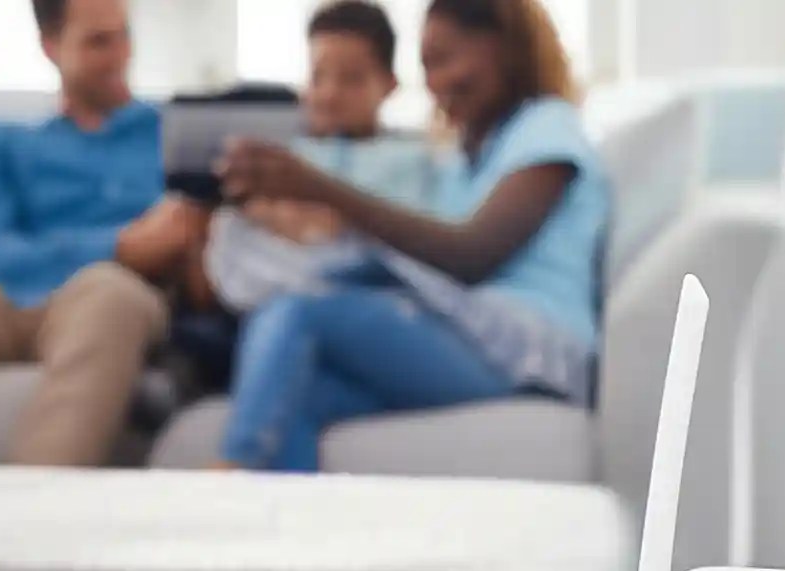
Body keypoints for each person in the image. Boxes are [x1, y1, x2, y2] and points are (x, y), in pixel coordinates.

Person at [214, 0, 611, 472]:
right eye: (426, 66)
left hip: (528, 353)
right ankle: (291, 538)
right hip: (469, 336)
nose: (435, 82)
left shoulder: (547, 127)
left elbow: (473, 253)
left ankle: (227, 486)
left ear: (502, 48)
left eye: (445, 59)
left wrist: (320, 188)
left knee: (298, 313)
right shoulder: (465, 158)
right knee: (302, 393)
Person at [0, 0, 203, 478]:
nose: (119, 55)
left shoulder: (168, 134)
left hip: (101, 303)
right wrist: (120, 244)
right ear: (51, 46)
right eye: (98, 42)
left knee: (112, 289)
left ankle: (28, 522)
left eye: (124, 36)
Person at [200, 0, 436, 313]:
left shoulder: (408, 159)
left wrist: (306, 221)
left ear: (390, 85)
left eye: (351, 79)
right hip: (272, 276)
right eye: (317, 77)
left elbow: (377, 236)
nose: (329, 93)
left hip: (357, 288)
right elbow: (264, 212)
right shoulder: (292, 152)